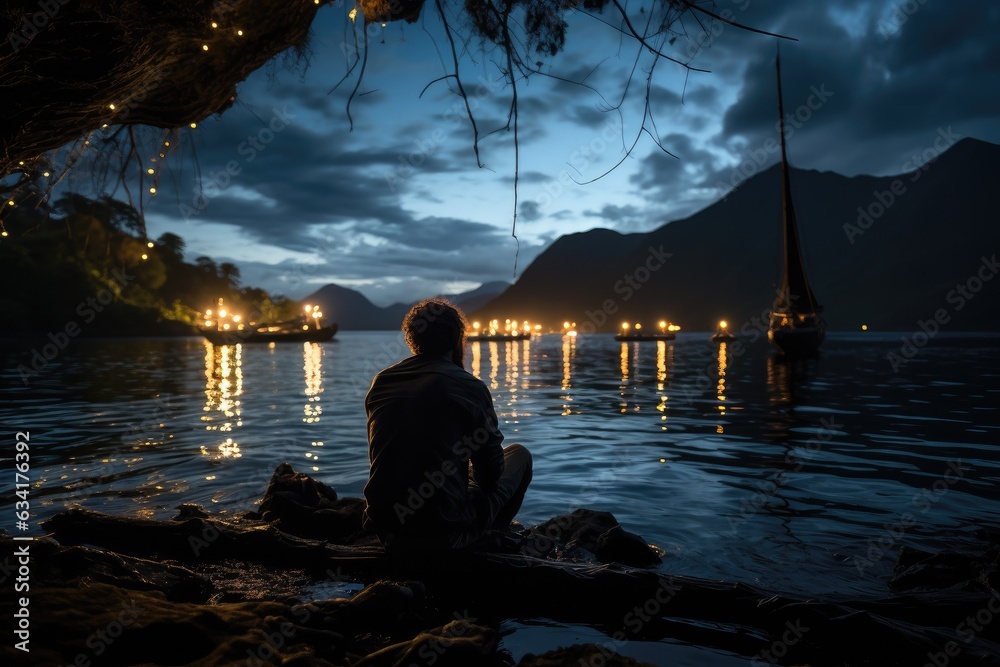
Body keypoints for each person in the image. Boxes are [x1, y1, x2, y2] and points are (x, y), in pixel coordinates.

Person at [362, 298, 532, 551]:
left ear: (412, 340)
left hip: (387, 531)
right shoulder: (469, 385)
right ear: (457, 339)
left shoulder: (382, 381)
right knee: (520, 455)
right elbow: (491, 474)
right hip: (443, 535)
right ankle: (489, 538)